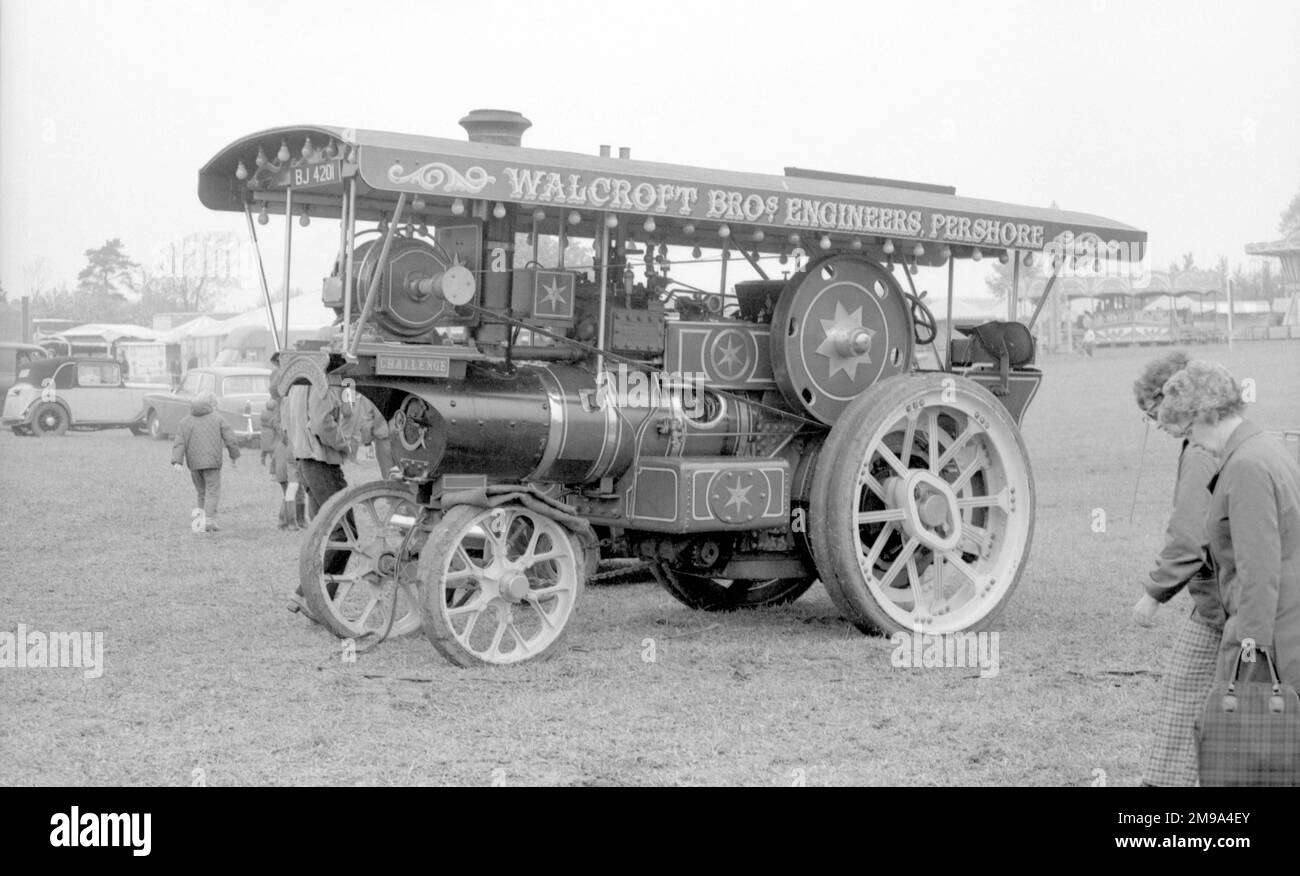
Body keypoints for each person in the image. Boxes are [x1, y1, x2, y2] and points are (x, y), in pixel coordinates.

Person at [1159, 362, 1300, 698]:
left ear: (1207, 414)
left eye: (1189, 432)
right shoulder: (1262, 449)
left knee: (1254, 743)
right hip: (1278, 628)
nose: (1194, 446)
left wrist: (1247, 657)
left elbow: (1259, 574)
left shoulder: (1246, 466)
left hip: (1270, 637)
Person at [1130, 353, 1223, 786]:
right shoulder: (1216, 442)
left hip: (1222, 603)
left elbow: (1190, 536)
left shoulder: (1201, 452)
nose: (1155, 423)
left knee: (1183, 692)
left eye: (1153, 413)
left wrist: (1153, 595)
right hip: (1224, 597)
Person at [170, 391, 240, 533]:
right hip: (212, 463)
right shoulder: (217, 418)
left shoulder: (185, 421)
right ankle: (209, 521)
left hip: (194, 464)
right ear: (212, 404)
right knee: (213, 491)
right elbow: (230, 439)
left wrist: (177, 461)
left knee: (201, 492)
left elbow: (179, 442)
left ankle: (199, 523)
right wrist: (234, 455)